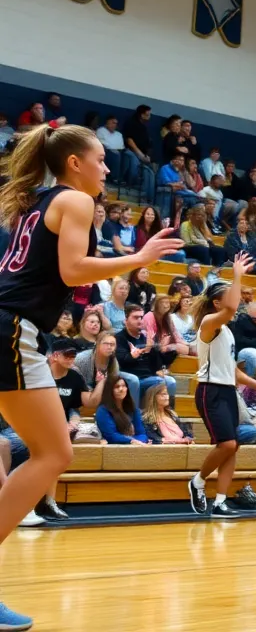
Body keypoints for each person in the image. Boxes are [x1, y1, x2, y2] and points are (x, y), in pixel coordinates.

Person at [0, 123, 181, 628]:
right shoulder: (74, 201)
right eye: (101, 159)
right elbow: (74, 270)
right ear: (75, 163)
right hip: (14, 330)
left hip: (7, 324)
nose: (107, 167)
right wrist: (139, 258)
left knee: (49, 451)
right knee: (54, 452)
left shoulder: (39, 200)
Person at [188, 253, 256, 518]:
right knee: (227, 444)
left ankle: (219, 502)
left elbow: (231, 369)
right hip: (210, 390)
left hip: (228, 390)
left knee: (234, 446)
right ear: (217, 302)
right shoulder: (208, 323)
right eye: (230, 295)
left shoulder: (226, 331)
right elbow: (230, 308)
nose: (236, 300)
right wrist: (237, 275)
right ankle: (197, 481)